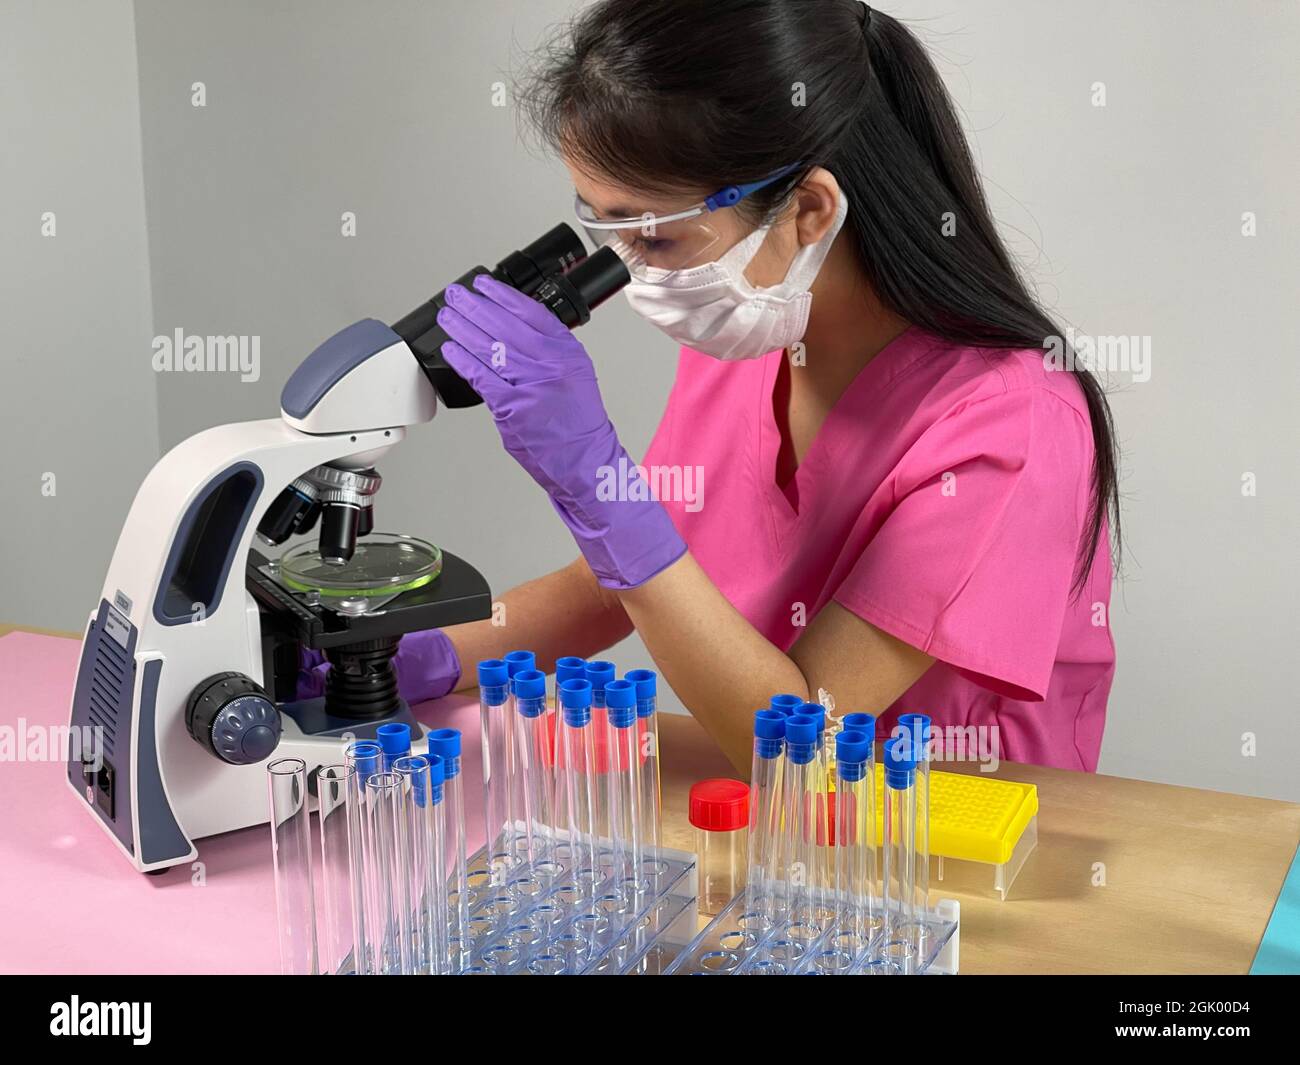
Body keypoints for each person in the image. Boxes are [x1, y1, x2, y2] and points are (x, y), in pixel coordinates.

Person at [303, 0, 1118, 773]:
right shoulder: (749, 339)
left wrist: (596, 479)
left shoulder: (1013, 421)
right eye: (604, 228)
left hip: (944, 851)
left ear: (808, 210)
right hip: (776, 845)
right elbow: (626, 580)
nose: (626, 272)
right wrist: (429, 654)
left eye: (653, 235)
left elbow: (798, 739)